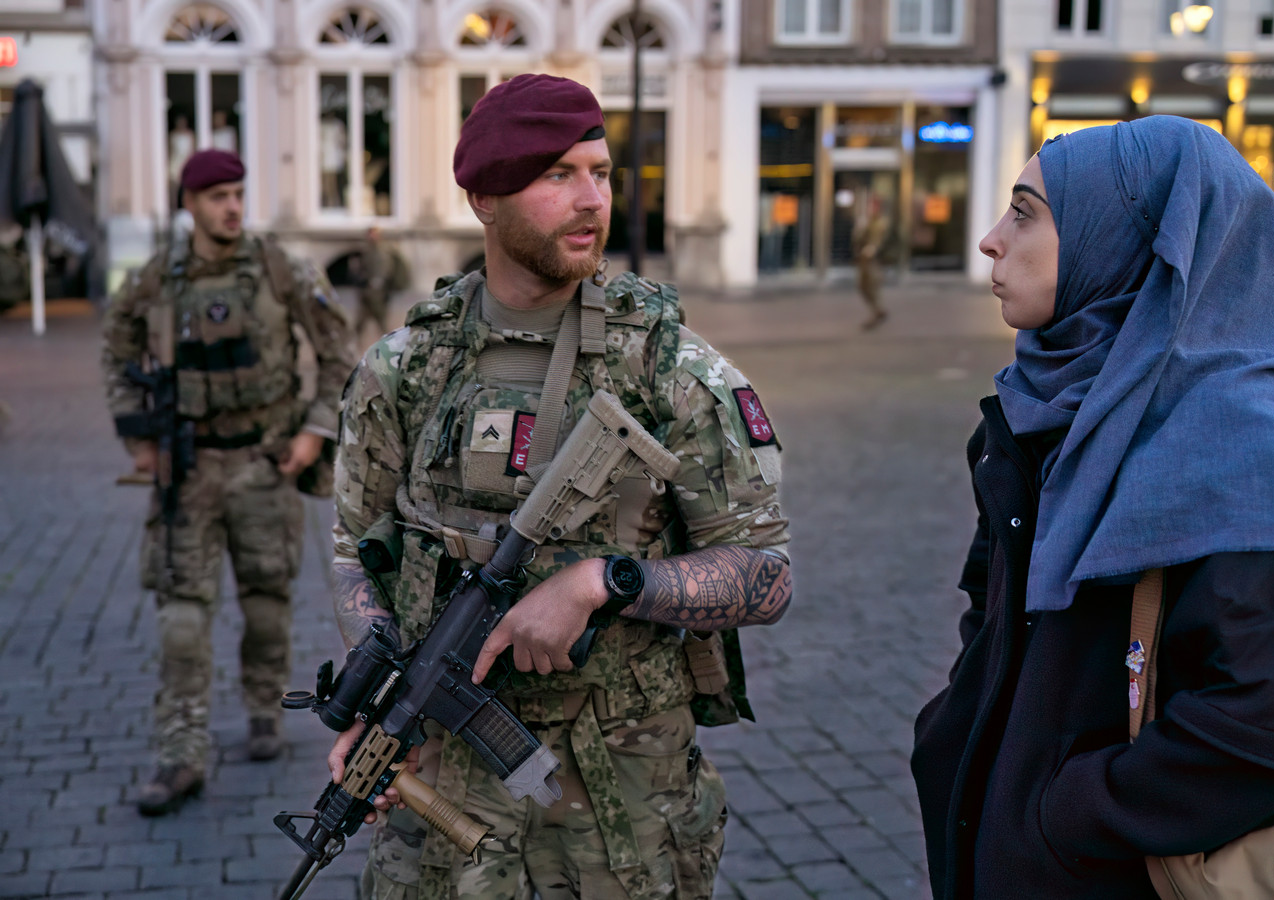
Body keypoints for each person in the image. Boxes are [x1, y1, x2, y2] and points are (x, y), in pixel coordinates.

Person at [325, 73, 793, 899]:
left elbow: (764, 574)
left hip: (621, 811)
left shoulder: (672, 370)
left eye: (602, 172)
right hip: (441, 794)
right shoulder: (401, 371)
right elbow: (354, 552)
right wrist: (380, 688)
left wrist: (606, 583)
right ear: (483, 200)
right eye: (556, 175)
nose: (592, 199)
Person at [911, 115, 1274, 899]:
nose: (990, 239)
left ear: (1119, 240)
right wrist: (959, 729)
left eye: (1023, 211)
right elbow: (994, 604)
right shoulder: (1043, 404)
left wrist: (1069, 815)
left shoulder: (1235, 443)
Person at [101, 148, 355, 816]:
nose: (232, 207)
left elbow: (338, 350)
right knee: (182, 616)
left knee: (268, 606)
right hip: (189, 469)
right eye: (217, 196)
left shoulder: (279, 269)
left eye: (238, 193)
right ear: (189, 203)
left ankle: (265, 710)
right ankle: (181, 753)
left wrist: (313, 432)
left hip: (264, 464)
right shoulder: (158, 277)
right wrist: (137, 436)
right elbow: (116, 346)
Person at [852, 193, 889, 331]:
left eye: (873, 205)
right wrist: (860, 229)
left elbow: (878, 240)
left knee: (872, 286)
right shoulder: (867, 221)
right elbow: (858, 240)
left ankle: (876, 312)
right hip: (864, 260)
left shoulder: (881, 222)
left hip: (873, 260)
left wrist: (872, 249)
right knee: (863, 286)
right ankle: (878, 311)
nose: (871, 208)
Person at [354, 225, 393, 341]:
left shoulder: (383, 251)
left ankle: (389, 343)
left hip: (377, 293)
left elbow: (386, 270)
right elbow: (362, 268)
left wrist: (379, 282)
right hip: (366, 291)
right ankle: (353, 346)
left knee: (381, 321)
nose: (371, 236)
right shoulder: (366, 250)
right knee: (359, 323)